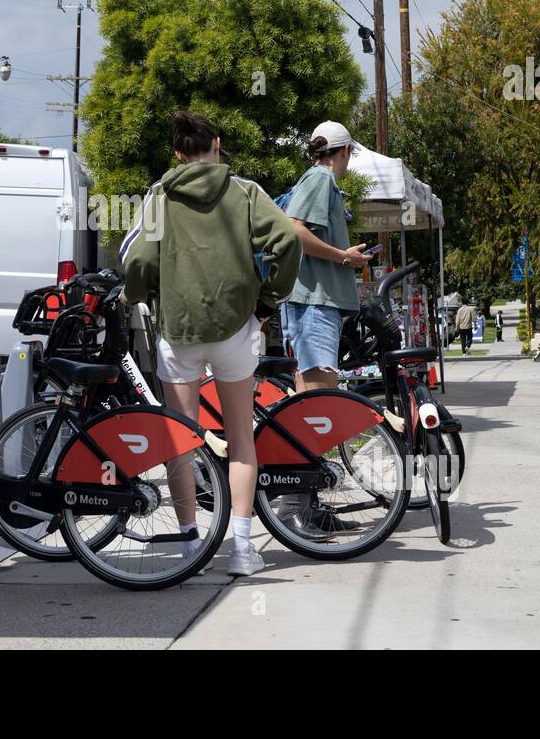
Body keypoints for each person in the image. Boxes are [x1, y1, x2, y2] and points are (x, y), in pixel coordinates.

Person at [123, 112, 301, 577]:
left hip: (179, 334)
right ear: (217, 144)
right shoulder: (245, 192)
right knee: (241, 440)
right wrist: (267, 301)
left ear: (178, 153)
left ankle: (189, 547)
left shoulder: (160, 198)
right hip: (236, 330)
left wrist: (135, 295)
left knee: (180, 442)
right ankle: (242, 549)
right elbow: (285, 239)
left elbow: (140, 259)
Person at [281, 121, 370, 394]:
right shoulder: (321, 178)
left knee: (309, 401)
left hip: (309, 302)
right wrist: (343, 256)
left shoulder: (315, 178)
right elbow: (294, 230)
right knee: (321, 403)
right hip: (314, 304)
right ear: (344, 151)